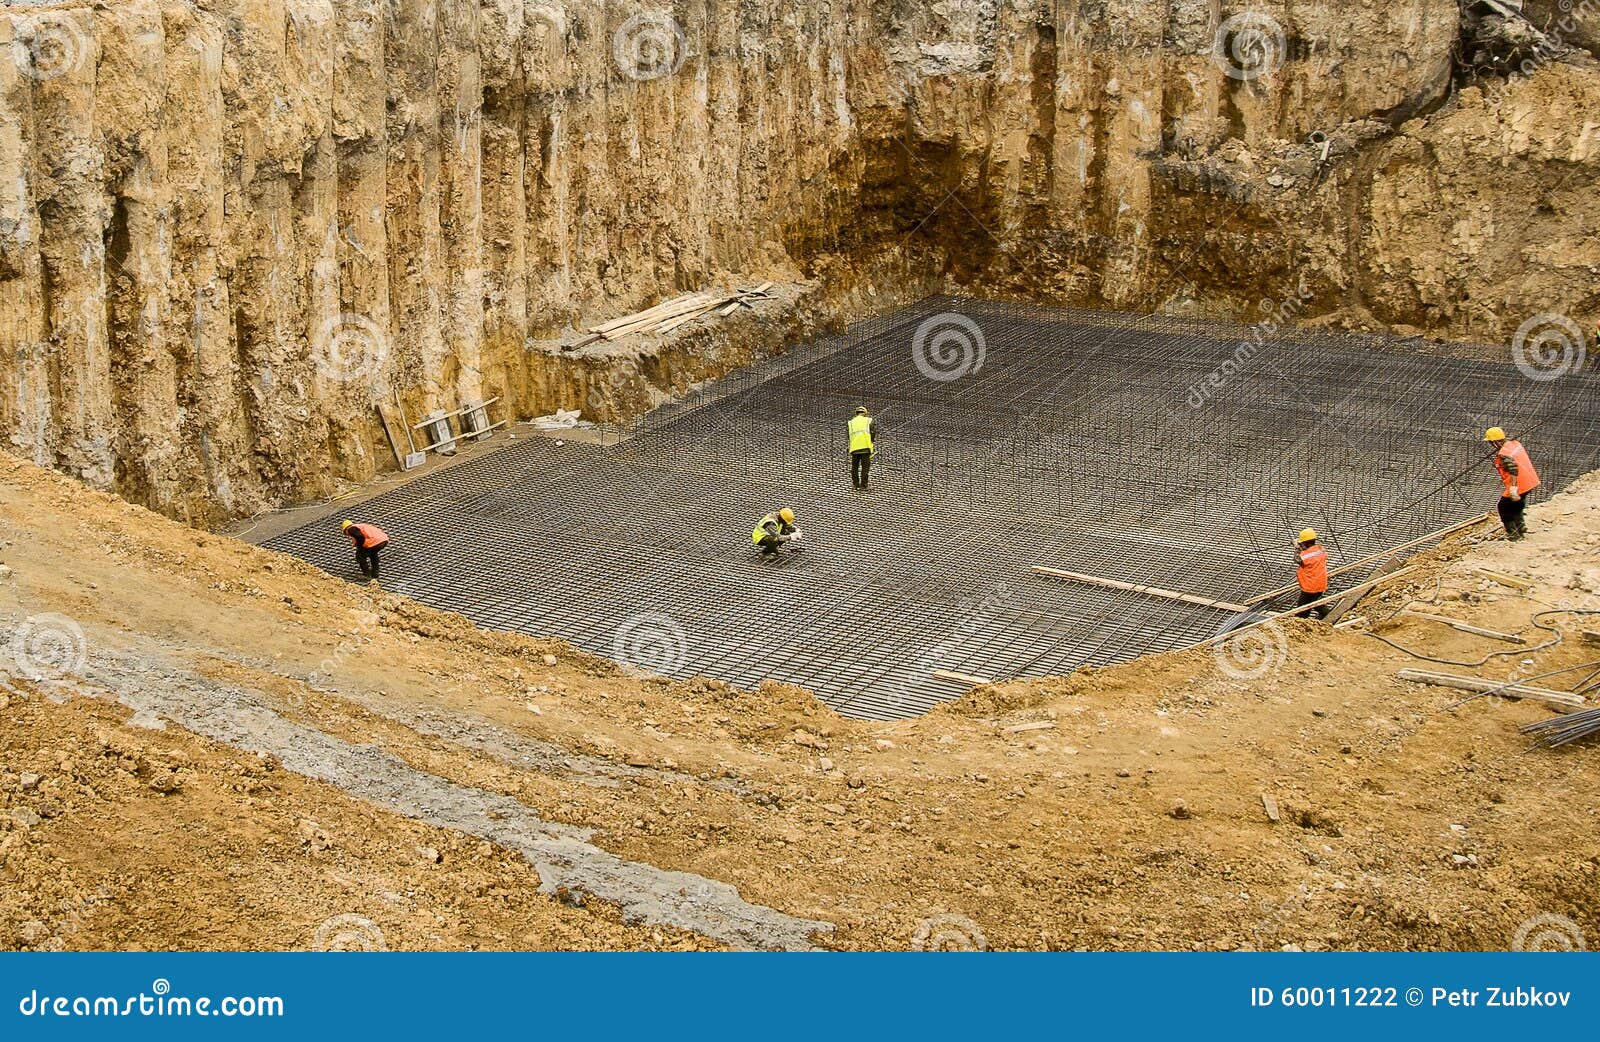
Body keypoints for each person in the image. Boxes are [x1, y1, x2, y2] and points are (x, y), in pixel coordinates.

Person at [1483, 427, 1540, 541]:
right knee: (1517, 505)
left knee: (1503, 508)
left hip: (1520, 484)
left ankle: (1513, 535)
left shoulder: (1504, 454)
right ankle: (1521, 527)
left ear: (1495, 442)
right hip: (1530, 480)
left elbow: (1513, 468)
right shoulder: (1514, 444)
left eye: (1491, 443)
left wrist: (1513, 488)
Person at [1293, 528, 1329, 620]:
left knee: (1303, 607)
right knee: (1314, 601)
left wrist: (1297, 548)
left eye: (1302, 543)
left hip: (1310, 586)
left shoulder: (1305, 555)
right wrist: (1301, 547)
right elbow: (1310, 554)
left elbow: (1298, 559)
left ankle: (1300, 621)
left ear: (1306, 543)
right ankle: (1324, 615)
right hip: (1321, 583)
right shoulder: (1321, 550)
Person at [847, 406, 876, 490]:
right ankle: (864, 485)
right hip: (865, 448)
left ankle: (855, 485)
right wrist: (871, 442)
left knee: (854, 467)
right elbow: (873, 433)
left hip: (855, 448)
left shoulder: (850, 422)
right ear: (865, 413)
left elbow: (848, 435)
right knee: (865, 468)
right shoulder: (869, 421)